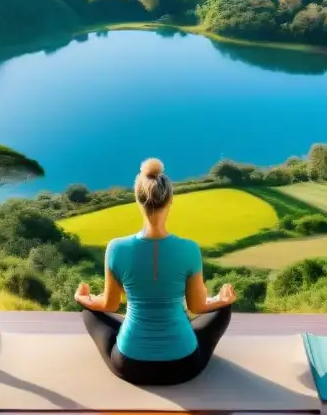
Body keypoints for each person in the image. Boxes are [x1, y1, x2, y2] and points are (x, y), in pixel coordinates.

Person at [76, 158, 236, 386]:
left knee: (89, 311)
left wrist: (84, 299)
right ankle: (182, 329)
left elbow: (109, 305)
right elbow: (197, 307)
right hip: (184, 365)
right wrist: (220, 300)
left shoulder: (116, 248)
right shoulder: (189, 249)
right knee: (223, 310)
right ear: (170, 199)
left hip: (130, 365)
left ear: (137, 198)